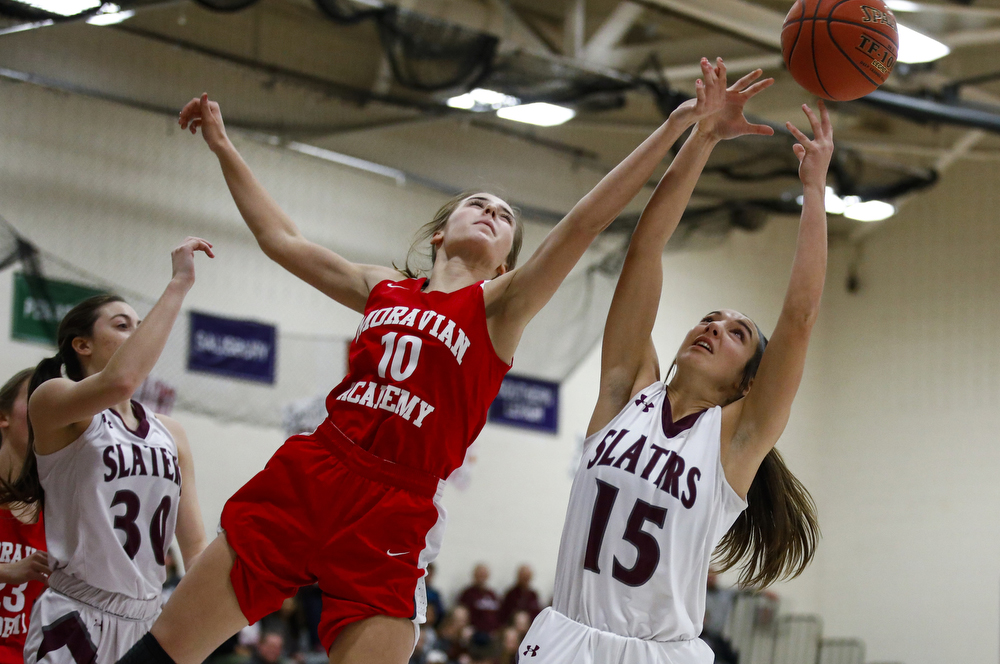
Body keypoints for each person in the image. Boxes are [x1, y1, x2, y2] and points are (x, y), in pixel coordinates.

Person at [116, 56, 738, 664]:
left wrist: (673, 127)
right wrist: (223, 145)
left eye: (505, 217)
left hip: (396, 506)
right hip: (316, 468)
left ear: (506, 263)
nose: (492, 213)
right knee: (165, 650)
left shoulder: (501, 306)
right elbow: (281, 240)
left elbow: (582, 225)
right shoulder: (382, 287)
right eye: (479, 204)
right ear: (440, 232)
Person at [517, 75, 830, 663]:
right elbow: (647, 247)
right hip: (568, 637)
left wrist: (814, 191)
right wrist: (702, 138)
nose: (713, 327)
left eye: (736, 333)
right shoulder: (625, 390)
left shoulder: (735, 442)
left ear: (747, 383)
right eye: (710, 319)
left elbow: (800, 317)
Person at [0, 238, 214, 664]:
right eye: (122, 325)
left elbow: (194, 549)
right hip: (77, 618)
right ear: (82, 345)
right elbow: (121, 381)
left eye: (140, 325)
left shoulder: (172, 433)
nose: (138, 335)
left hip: (148, 623)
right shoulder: (54, 401)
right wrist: (178, 283)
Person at [0, 369, 49, 664]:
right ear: (2, 417)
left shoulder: (55, 507)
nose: (46, 410)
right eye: (36, 398)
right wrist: (7, 571)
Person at [457, 565, 499, 636]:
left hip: (492, 632)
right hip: (475, 632)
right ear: (474, 575)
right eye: (479, 574)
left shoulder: (492, 595)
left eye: (484, 574)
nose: (481, 577)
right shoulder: (467, 594)